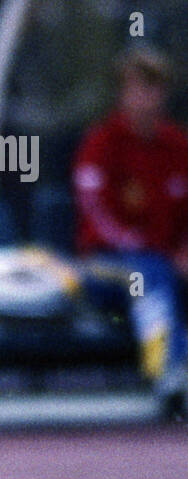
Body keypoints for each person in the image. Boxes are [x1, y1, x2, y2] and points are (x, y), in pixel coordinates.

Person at [72, 45, 188, 414]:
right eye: (137, 88)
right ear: (123, 93)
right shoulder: (101, 144)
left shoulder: (177, 146)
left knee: (158, 272)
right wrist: (166, 254)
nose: (145, 99)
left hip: (169, 263)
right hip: (104, 265)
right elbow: (98, 215)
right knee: (147, 275)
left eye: (153, 89)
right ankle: (171, 374)